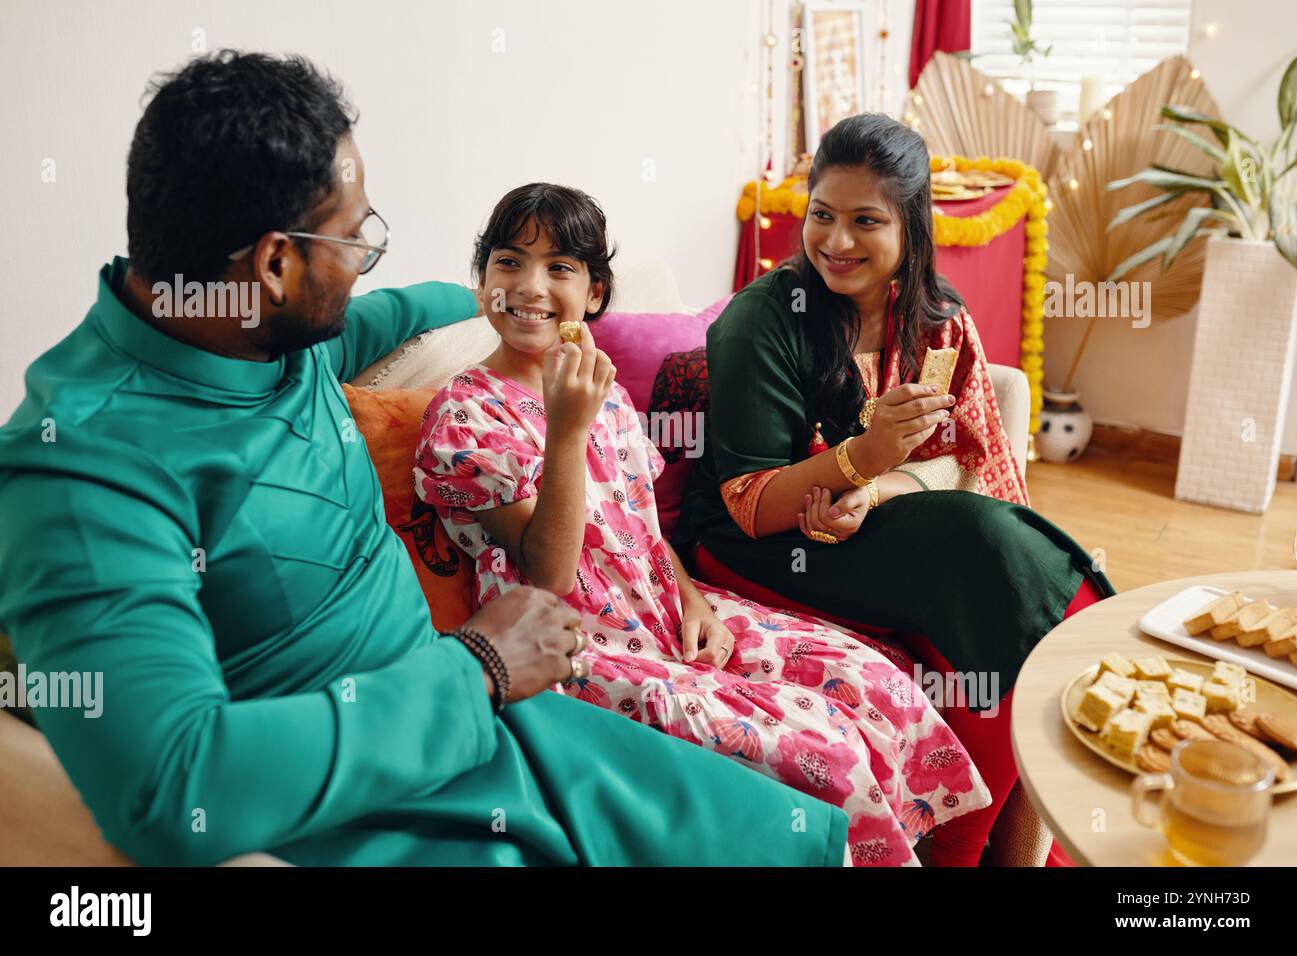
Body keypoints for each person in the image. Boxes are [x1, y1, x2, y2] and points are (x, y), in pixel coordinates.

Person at [0, 51, 850, 867]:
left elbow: (430, 304)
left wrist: (528, 312)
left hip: (505, 728)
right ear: (274, 261)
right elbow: (170, 784)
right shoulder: (85, 468)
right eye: (353, 239)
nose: (368, 258)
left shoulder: (275, 338)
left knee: (803, 836)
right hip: (379, 798)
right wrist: (476, 666)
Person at [414, 183, 992, 867]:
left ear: (595, 293)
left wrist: (693, 603)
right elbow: (548, 572)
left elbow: (641, 529)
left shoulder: (600, 391)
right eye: (509, 263)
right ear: (482, 280)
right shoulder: (465, 412)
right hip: (571, 656)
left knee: (879, 682)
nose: (529, 286)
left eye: (559, 268)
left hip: (662, 612)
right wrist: (564, 433)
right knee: (824, 752)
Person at [678, 113, 1116, 866]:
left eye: (864, 221)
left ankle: (980, 840)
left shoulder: (936, 320)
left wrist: (874, 489)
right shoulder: (764, 321)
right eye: (822, 214)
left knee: (998, 574)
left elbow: (973, 462)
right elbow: (748, 503)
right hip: (758, 548)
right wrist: (863, 455)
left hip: (868, 524)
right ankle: (964, 849)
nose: (836, 242)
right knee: (986, 559)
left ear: (911, 228)